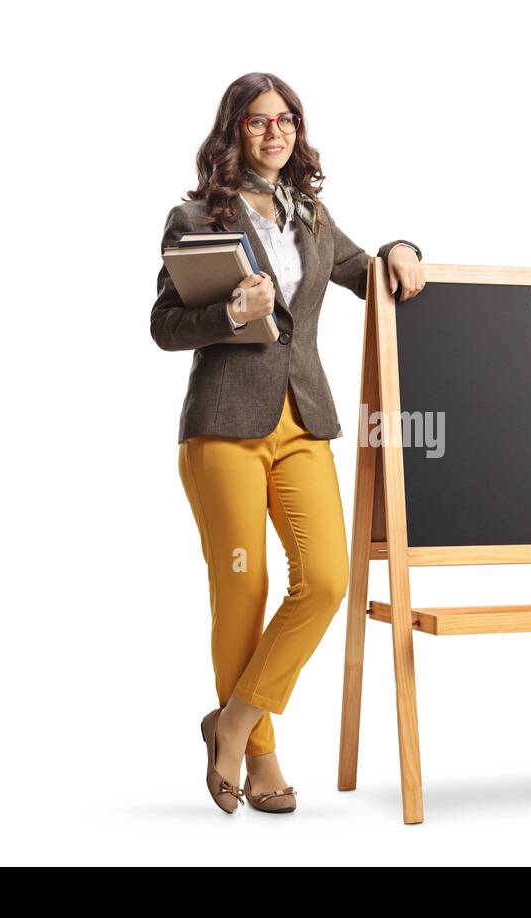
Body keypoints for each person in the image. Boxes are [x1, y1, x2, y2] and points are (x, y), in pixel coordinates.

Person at [150, 72, 426, 814]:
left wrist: (402, 248)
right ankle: (262, 754)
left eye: (286, 120)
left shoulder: (312, 214)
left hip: (303, 422)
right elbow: (164, 326)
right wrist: (230, 314)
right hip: (223, 426)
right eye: (257, 122)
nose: (275, 132)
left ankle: (233, 723)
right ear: (233, 133)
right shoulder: (195, 217)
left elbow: (367, 272)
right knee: (244, 585)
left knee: (327, 579)